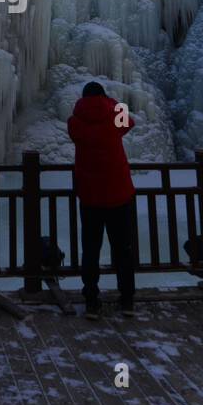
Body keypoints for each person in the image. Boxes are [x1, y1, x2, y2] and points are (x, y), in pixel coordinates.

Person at [66, 81, 137, 320]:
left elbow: (75, 133)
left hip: (90, 196)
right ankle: (127, 299)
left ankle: (92, 301)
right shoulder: (115, 114)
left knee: (91, 250)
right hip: (118, 194)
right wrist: (111, 103)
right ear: (104, 97)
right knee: (123, 249)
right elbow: (129, 121)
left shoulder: (76, 121)